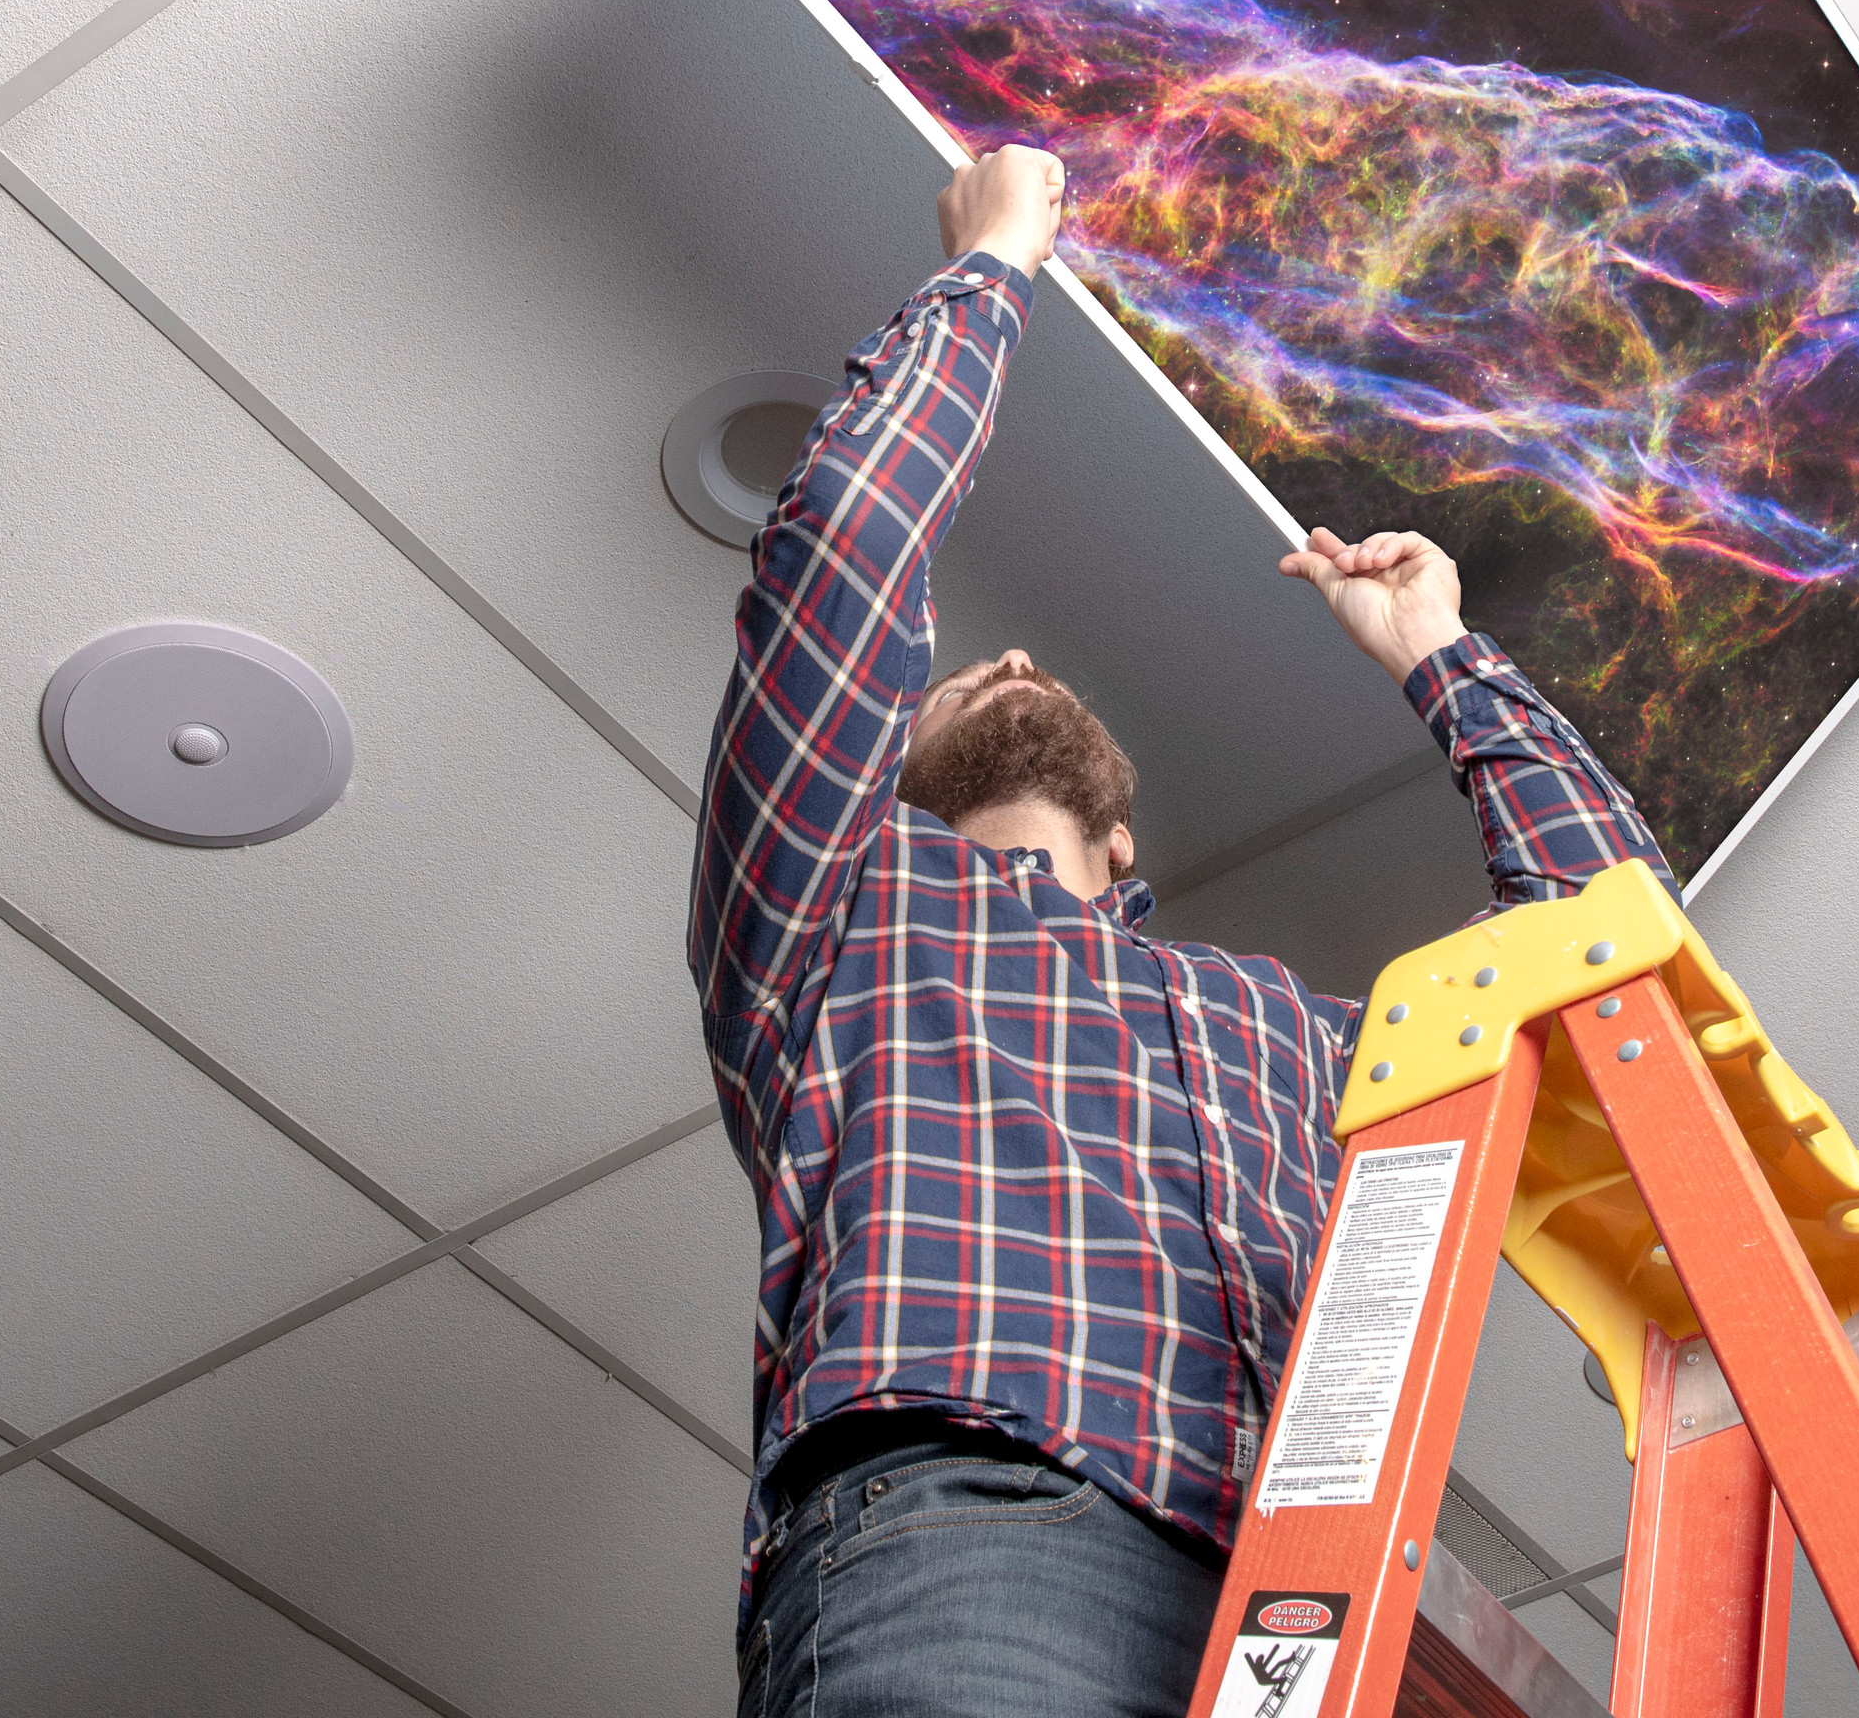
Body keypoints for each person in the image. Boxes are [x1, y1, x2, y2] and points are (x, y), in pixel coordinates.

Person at [691, 143, 1679, 1718]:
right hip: (981, 1538)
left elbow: (1618, 969)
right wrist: (996, 263)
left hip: (1309, 1611)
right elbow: (842, 561)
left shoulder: (1298, 1034)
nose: (1010, 656)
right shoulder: (836, 907)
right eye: (959, 675)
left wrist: (1440, 654)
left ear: (1129, 836)